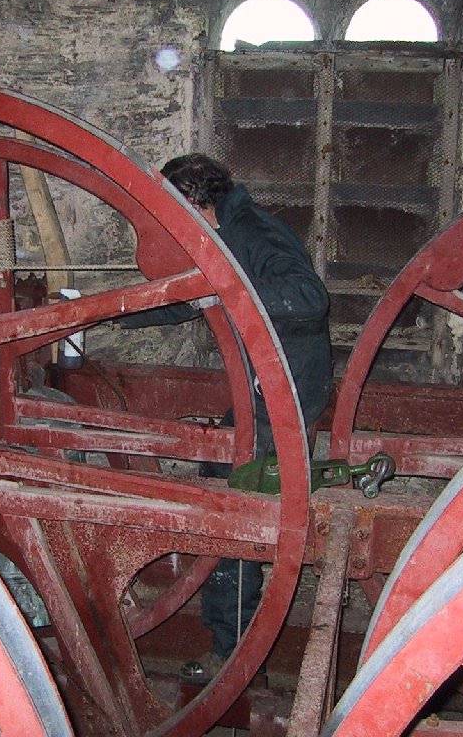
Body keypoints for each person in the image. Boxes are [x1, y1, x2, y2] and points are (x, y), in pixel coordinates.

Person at [120, 153, 333, 678]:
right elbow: (192, 297)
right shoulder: (225, 234)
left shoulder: (253, 232)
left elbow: (308, 297)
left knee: (232, 505)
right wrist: (115, 310)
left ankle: (233, 654)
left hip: (285, 390)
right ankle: (233, 640)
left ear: (196, 201)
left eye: (175, 210)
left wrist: (228, 287)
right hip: (270, 387)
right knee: (225, 489)